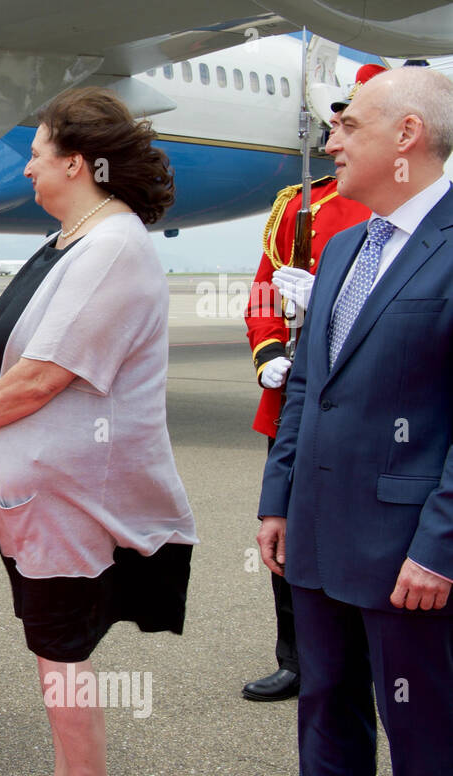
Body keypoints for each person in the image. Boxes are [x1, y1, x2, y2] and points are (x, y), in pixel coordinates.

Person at [0, 87, 197, 776]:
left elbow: (44, 375)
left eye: (39, 157)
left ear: (78, 164)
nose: (29, 172)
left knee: (62, 645)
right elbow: (4, 353)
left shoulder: (112, 246)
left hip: (73, 497)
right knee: (50, 643)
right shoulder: (72, 242)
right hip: (37, 494)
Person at [257, 66, 453, 776]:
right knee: (325, 720)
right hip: (316, 539)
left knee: (428, 741)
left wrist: (441, 546)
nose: (330, 140)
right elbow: (308, 384)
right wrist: (279, 498)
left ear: (407, 135)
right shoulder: (341, 247)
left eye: (349, 127)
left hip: (412, 554)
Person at [240, 75, 375, 703]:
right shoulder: (300, 205)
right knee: (286, 529)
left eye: (347, 125)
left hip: (371, 399)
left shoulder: (394, 207)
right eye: (335, 125)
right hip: (296, 395)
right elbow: (267, 289)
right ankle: (297, 655)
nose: (333, 140)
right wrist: (268, 351)